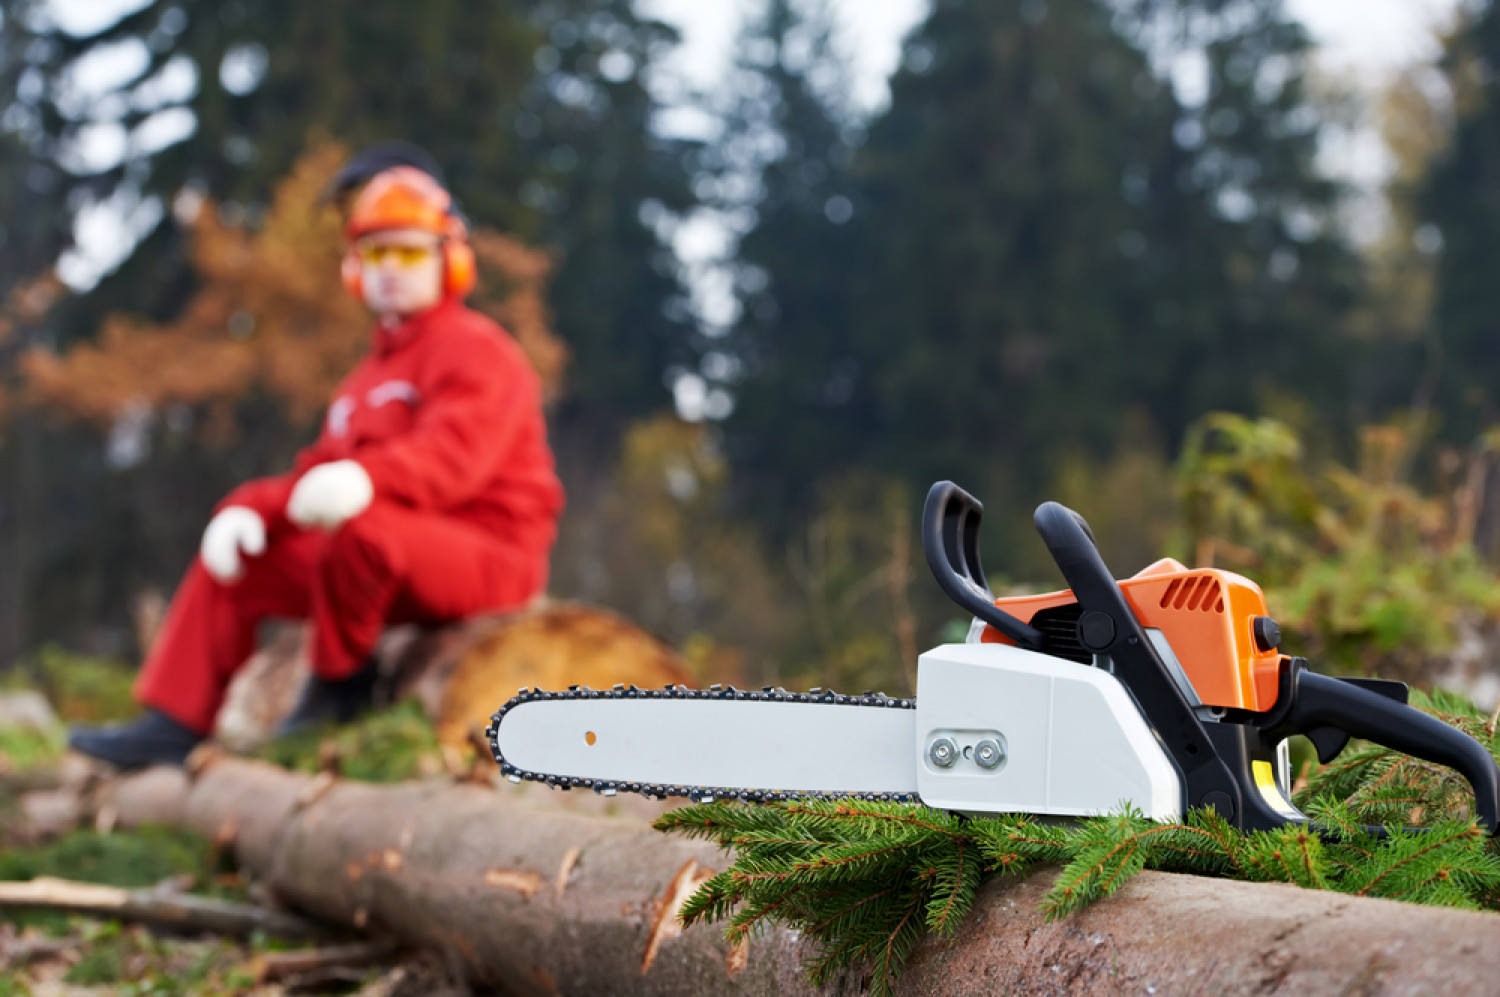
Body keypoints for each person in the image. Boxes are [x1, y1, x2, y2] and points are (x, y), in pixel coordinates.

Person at [69, 163, 565, 768]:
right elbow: (319, 473)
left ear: (448, 260)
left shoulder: (480, 352)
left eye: (408, 255)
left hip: (488, 555)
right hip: (384, 552)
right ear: (354, 266)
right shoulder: (364, 380)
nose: (389, 269)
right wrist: (248, 509)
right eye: (375, 253)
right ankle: (173, 723)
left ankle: (340, 686)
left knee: (359, 529)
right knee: (243, 558)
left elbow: (453, 459)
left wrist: (366, 479)